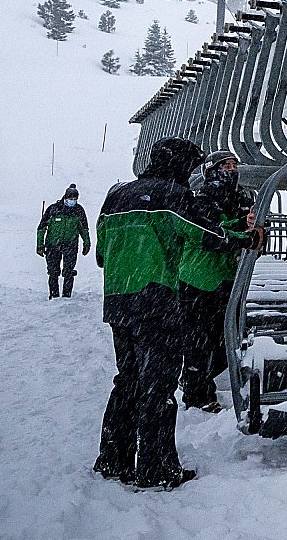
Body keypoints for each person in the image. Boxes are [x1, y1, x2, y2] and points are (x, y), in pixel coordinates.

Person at [94, 136, 205, 490]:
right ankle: (156, 468)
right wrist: (244, 235)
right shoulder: (174, 195)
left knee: (127, 379)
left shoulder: (116, 196)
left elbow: (101, 254)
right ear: (181, 164)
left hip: (118, 300)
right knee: (158, 385)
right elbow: (205, 235)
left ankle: (113, 459)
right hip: (156, 300)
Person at [177, 152, 261, 412]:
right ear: (211, 171)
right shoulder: (200, 200)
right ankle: (198, 394)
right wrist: (244, 233)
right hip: (198, 279)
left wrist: (250, 225)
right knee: (199, 340)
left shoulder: (241, 198)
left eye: (234, 165)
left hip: (226, 279)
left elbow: (242, 229)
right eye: (225, 166)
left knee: (225, 339)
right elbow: (213, 233)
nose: (231, 170)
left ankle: (196, 379)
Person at [36, 184, 91, 299]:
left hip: (71, 245)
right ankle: (54, 295)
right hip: (53, 245)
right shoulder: (53, 209)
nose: (73, 201)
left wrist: (87, 243)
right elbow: (41, 227)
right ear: (65, 198)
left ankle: (67, 296)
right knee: (53, 271)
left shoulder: (79, 211)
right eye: (71, 198)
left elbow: (84, 229)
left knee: (69, 272)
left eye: (75, 199)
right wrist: (40, 245)